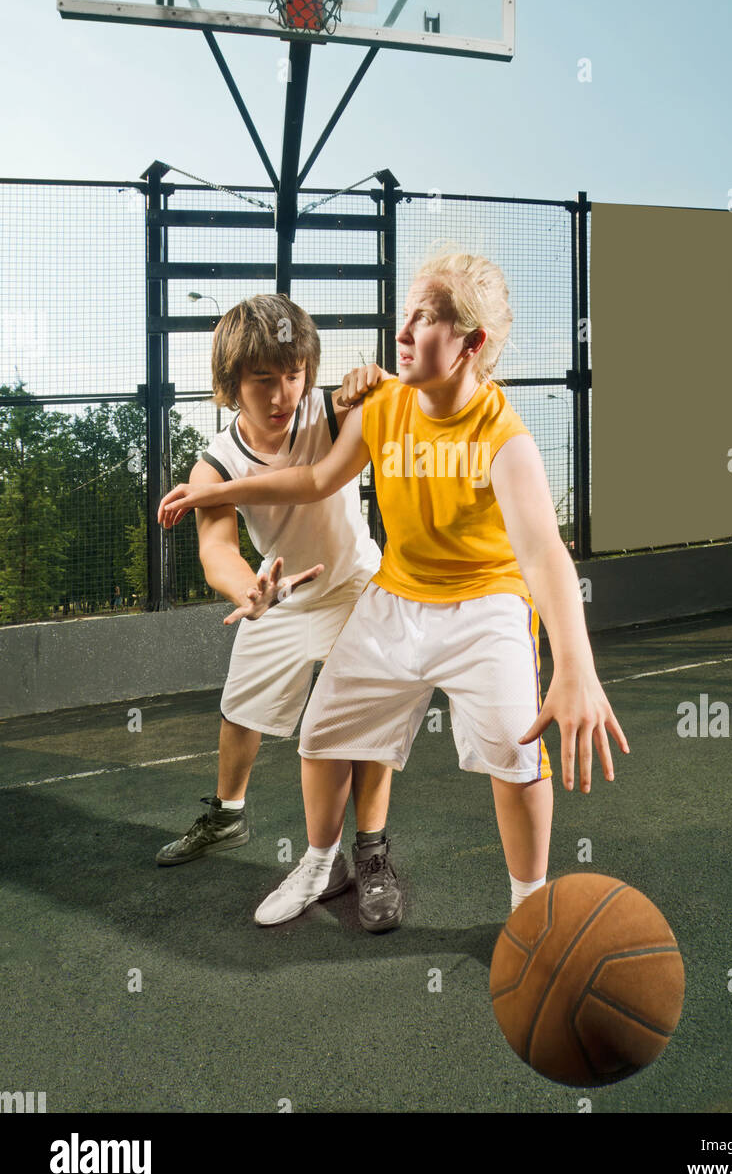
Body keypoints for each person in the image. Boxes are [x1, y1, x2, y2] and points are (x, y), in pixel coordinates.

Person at [159, 253, 629, 928]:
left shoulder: (504, 438)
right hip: (393, 595)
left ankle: (529, 905)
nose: (403, 330)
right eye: (405, 314)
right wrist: (222, 492)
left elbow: (543, 554)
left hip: (482, 604)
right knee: (320, 735)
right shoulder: (381, 403)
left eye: (426, 318)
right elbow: (315, 480)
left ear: (474, 343)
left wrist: (576, 667)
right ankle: (324, 864)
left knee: (514, 749)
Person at [155, 293, 404, 934]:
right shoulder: (213, 461)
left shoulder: (329, 408)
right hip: (282, 594)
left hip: (355, 584)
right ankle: (228, 814)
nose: (282, 393)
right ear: (230, 385)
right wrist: (251, 592)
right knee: (240, 710)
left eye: (294, 374)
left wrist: (371, 379)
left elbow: (352, 431)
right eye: (264, 379)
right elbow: (217, 552)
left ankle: (370, 852)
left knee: (360, 719)